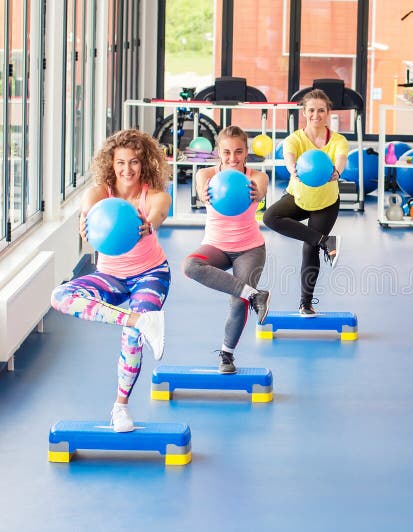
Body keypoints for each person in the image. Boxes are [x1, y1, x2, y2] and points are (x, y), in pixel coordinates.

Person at [50, 129, 172, 432]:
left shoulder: (155, 195)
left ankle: (120, 408)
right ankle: (138, 320)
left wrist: (148, 225)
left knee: (131, 339)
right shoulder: (98, 193)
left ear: (145, 164)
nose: (127, 169)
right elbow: (88, 215)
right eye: (120, 162)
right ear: (111, 163)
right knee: (60, 297)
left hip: (150, 274)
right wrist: (85, 223)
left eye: (134, 162)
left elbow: (158, 213)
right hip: (110, 276)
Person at [183, 126, 271, 374]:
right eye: (227, 152)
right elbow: (202, 188)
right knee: (190, 266)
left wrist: (257, 194)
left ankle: (227, 355)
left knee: (237, 302)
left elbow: (261, 189)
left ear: (246, 152)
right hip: (216, 246)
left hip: (250, 248)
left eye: (239, 152)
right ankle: (256, 295)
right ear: (218, 153)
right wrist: (203, 192)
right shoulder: (207, 174)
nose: (233, 158)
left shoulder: (257, 177)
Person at [263, 89, 347, 317]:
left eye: (321, 110)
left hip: (326, 203)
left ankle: (306, 304)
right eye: (311, 110)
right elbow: (289, 155)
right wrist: (292, 169)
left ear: (328, 113)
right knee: (270, 217)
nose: (316, 115)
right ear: (304, 112)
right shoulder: (295, 138)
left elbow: (341, 158)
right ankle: (326, 242)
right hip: (298, 197)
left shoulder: (338, 140)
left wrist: (337, 171)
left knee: (309, 248)